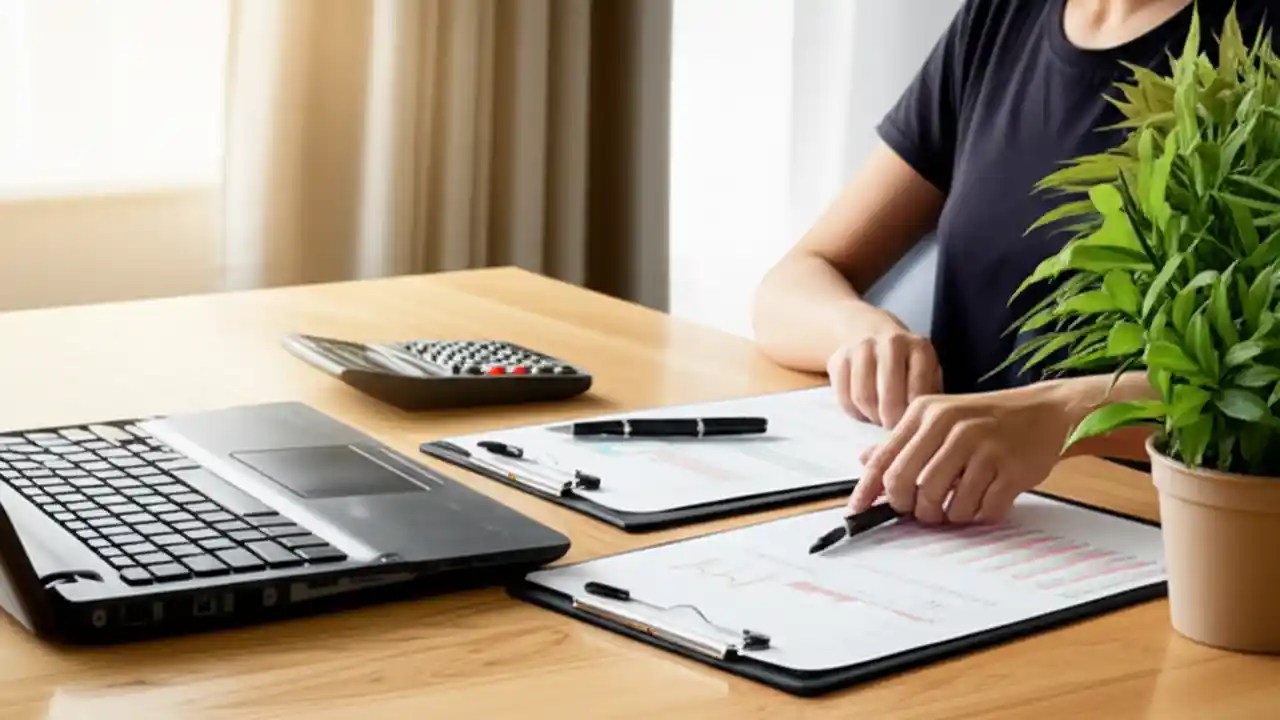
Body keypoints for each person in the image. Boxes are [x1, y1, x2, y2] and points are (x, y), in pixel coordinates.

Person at [752, 0, 1271, 525]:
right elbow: (795, 281)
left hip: (1170, 538)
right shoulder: (1002, 17)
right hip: (957, 522)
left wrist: (1065, 414)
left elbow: (1261, 386)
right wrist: (860, 333)